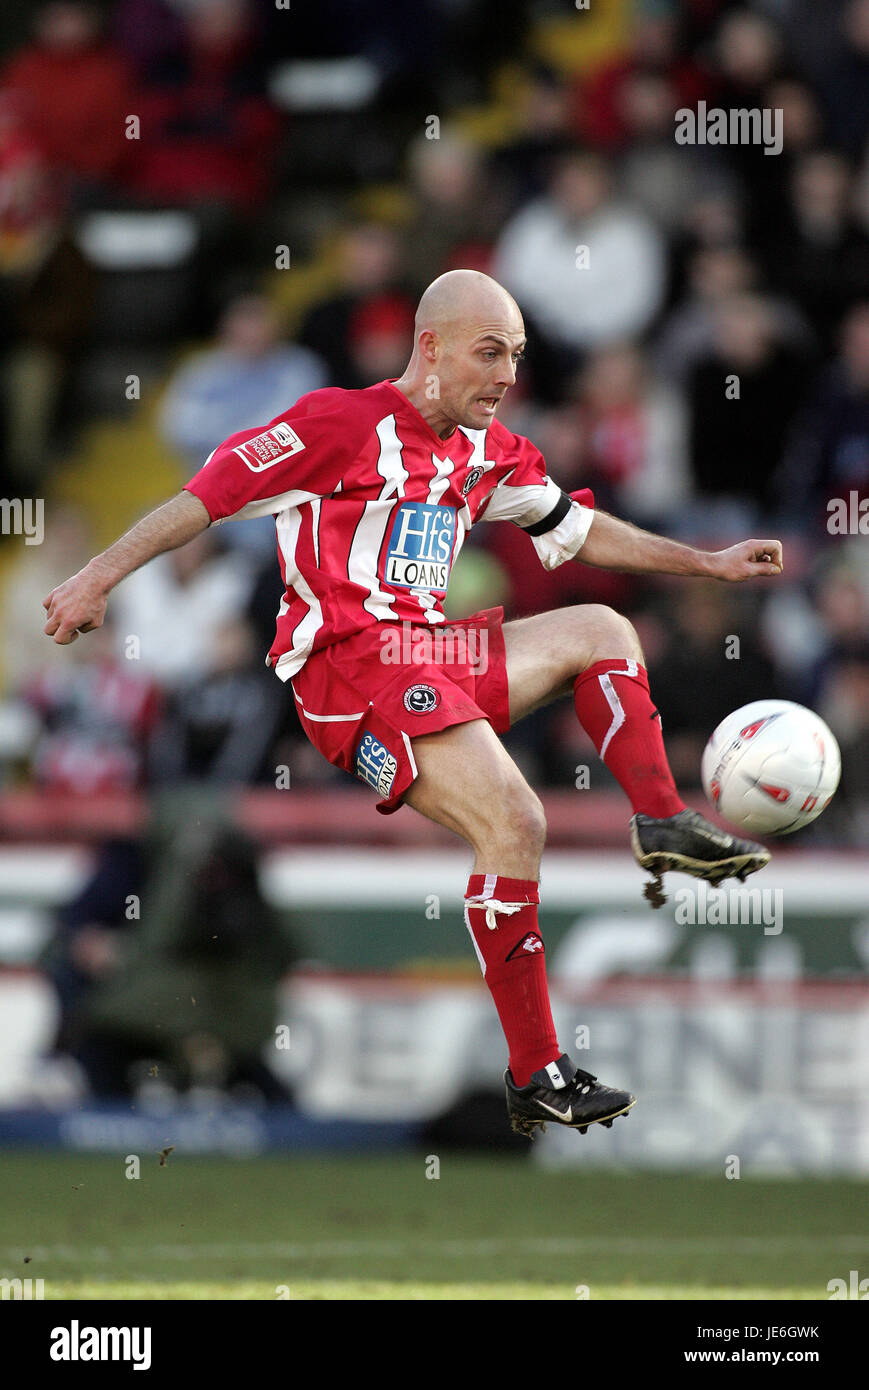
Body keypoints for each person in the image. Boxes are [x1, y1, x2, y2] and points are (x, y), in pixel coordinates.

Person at [43, 269, 784, 1140]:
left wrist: (707, 563)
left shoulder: (487, 449)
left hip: (425, 652)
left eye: (515, 354)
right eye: (488, 352)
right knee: (517, 820)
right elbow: (203, 499)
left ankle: (659, 822)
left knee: (603, 627)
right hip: (346, 669)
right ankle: (536, 1070)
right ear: (428, 349)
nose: (506, 372)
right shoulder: (336, 425)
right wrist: (95, 577)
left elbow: (578, 532)